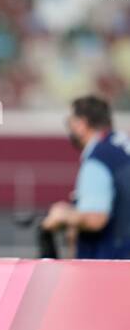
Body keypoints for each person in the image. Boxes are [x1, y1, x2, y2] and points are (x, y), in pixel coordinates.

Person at [42, 95, 130, 258]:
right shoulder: (122, 146)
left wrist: (63, 216)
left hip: (112, 266)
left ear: (81, 124)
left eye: (70, 122)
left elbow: (95, 219)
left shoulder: (99, 158)